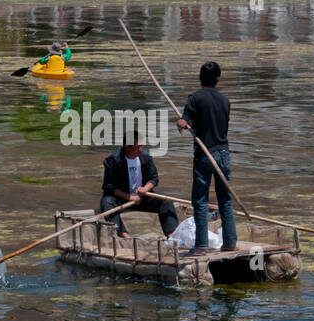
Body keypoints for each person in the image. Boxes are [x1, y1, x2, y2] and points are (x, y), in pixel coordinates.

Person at [176, 61, 236, 255]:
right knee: (225, 200)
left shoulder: (195, 98)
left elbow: (185, 121)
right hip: (223, 154)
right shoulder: (225, 100)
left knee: (200, 200)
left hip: (205, 154)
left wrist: (181, 123)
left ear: (200, 78)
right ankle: (230, 243)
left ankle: (201, 246)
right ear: (218, 79)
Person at [99, 131, 177, 240]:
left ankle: (172, 236)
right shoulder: (113, 160)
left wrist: (145, 189)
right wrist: (130, 197)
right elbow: (109, 186)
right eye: (138, 147)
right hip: (122, 198)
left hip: (141, 197)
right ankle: (124, 235)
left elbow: (153, 178)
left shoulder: (145, 157)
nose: (141, 149)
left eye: (142, 146)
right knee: (106, 202)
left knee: (165, 201)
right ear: (127, 147)